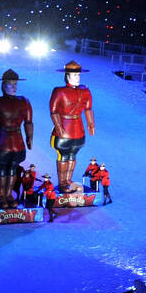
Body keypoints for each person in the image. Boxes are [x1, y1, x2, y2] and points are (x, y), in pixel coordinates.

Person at [0, 69, 35, 210]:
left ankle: (9, 195)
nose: (14, 87)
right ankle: (1, 197)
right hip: (1, 140)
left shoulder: (24, 101)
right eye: (10, 84)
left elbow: (28, 121)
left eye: (15, 84)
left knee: (13, 169)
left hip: (17, 142)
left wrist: (29, 137)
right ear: (3, 86)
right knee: (1, 169)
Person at [49, 60, 96, 193]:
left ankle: (68, 179)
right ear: (67, 76)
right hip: (64, 129)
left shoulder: (85, 91)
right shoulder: (59, 91)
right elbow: (54, 110)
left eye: (78, 75)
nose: (77, 78)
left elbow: (88, 109)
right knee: (64, 155)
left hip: (78, 130)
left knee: (73, 156)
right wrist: (58, 125)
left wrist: (91, 123)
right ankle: (62, 181)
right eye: (74, 75)